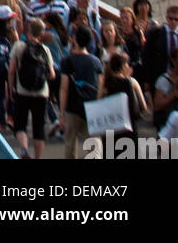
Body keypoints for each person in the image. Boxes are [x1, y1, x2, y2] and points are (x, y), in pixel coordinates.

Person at [8, 16, 55, 160]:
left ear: (28, 31)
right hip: (41, 93)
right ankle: (37, 157)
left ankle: (23, 150)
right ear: (41, 34)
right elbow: (52, 74)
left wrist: (11, 89)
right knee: (39, 127)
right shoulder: (45, 50)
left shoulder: (19, 46)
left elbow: (11, 70)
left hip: (22, 91)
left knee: (20, 124)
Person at [58, 23, 103, 159]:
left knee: (70, 144)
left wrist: (62, 113)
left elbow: (64, 88)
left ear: (75, 40)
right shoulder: (95, 62)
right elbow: (100, 87)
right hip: (91, 107)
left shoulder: (67, 61)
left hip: (73, 107)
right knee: (94, 143)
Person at [98, 51, 147, 158]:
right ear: (122, 66)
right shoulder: (130, 82)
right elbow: (143, 107)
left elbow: (99, 103)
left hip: (110, 129)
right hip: (128, 129)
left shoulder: (105, 84)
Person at [141, 2, 178, 99]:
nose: (173, 22)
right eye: (171, 19)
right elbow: (146, 56)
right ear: (166, 18)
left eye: (176, 19)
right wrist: (147, 80)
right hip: (158, 77)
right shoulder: (155, 33)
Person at [151, 49, 178, 132]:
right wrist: (173, 94)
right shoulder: (163, 80)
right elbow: (157, 106)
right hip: (168, 127)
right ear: (173, 61)